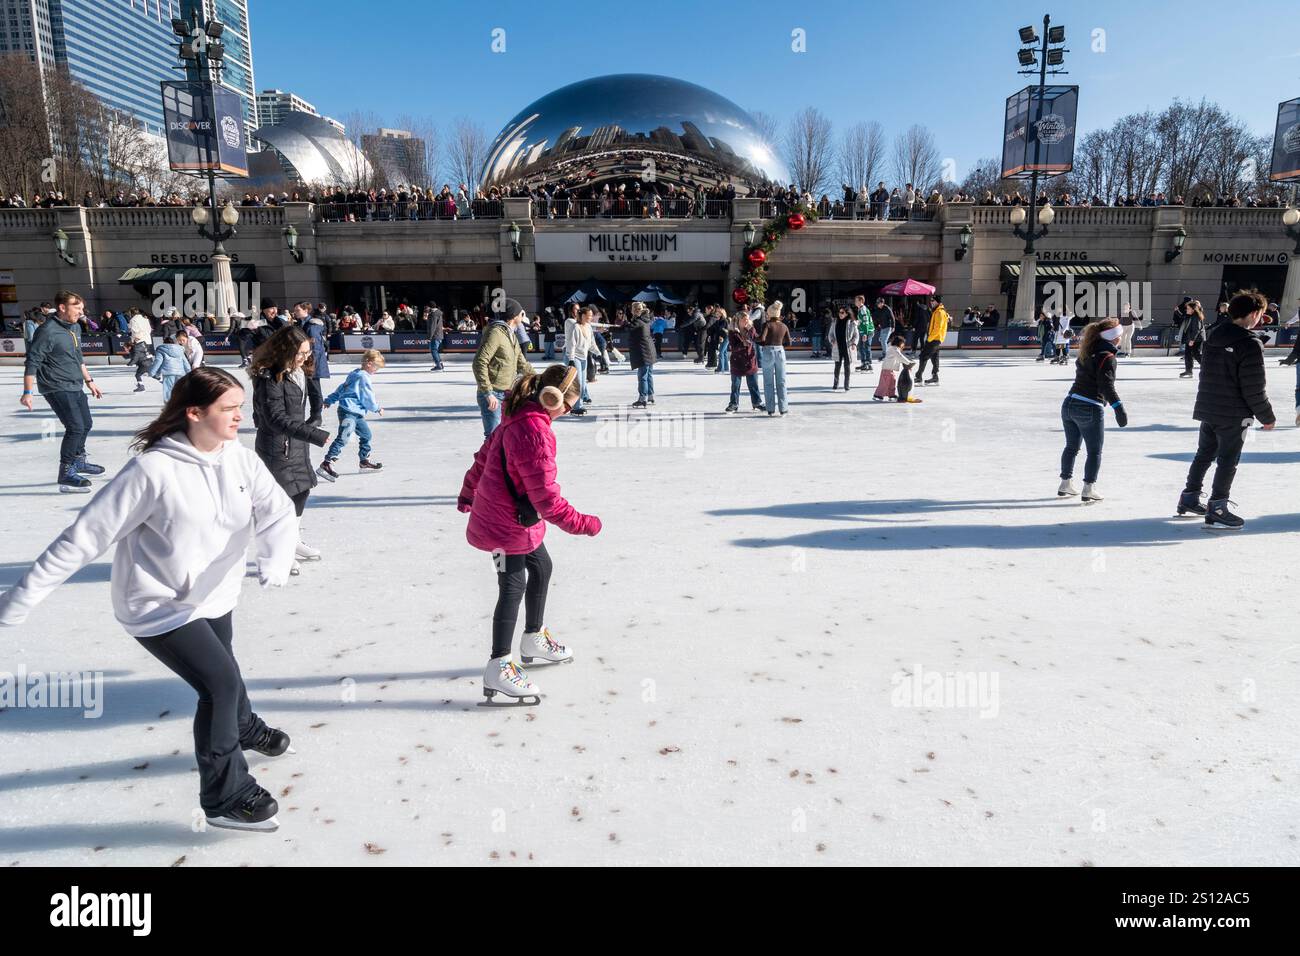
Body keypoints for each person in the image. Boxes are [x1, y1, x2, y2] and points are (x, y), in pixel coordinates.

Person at [0, 367, 298, 832]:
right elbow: (84, 538)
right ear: (194, 412)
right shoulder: (152, 470)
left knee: (226, 667)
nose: (241, 416)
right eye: (229, 408)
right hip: (157, 603)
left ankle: (241, 726)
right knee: (217, 683)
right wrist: (21, 599)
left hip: (215, 594)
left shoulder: (239, 458)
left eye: (241, 406)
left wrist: (275, 560)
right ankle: (226, 796)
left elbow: (276, 509)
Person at [456, 365, 602, 704]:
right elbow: (548, 501)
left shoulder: (518, 413)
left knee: (542, 566)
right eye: (568, 405)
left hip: (515, 518)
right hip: (505, 523)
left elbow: (484, 457)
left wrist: (468, 491)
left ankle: (533, 637)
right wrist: (585, 523)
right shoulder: (533, 430)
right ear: (551, 399)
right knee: (512, 583)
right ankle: (499, 664)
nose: (568, 411)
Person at [1176, 290, 1275, 529]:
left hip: (1209, 408)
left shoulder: (1214, 335)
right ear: (1253, 314)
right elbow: (1253, 387)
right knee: (1228, 460)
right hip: (1234, 415)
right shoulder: (1249, 343)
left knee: (1204, 455)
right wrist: (1267, 417)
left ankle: (1189, 497)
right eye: (1260, 314)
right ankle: (1217, 507)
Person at [248, 326, 331, 572]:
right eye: (301, 353)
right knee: (281, 501)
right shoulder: (269, 377)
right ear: (286, 350)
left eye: (307, 352)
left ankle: (292, 541)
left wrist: (315, 417)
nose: (305, 357)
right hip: (277, 445)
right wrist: (312, 433)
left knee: (301, 492)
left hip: (295, 442)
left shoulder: (296, 371)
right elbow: (274, 417)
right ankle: (279, 551)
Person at [19, 291, 105, 493]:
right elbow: (32, 361)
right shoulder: (47, 331)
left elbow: (78, 356)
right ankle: (66, 472)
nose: (81, 312)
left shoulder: (74, 327)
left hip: (75, 383)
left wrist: (89, 381)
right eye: (77, 308)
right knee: (75, 427)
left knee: (86, 424)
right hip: (56, 386)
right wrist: (27, 391)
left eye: (82, 308)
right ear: (62, 307)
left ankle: (79, 461)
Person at [1058, 319, 1127, 503]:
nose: (1121, 337)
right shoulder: (1108, 357)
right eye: (1119, 335)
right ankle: (1089, 488)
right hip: (1089, 407)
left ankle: (1065, 483)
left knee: (1071, 447)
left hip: (1069, 404)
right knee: (1094, 451)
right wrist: (1118, 407)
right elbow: (1106, 386)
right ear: (1114, 338)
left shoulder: (1088, 351)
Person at [317, 349, 385, 480]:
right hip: (349, 412)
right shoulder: (363, 376)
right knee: (343, 437)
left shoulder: (355, 373)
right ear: (369, 363)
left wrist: (330, 399)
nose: (376, 371)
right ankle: (327, 463)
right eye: (376, 367)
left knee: (366, 435)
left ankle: (364, 461)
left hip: (356, 413)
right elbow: (367, 397)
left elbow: (342, 388)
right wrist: (377, 408)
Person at [474, 298, 536, 434]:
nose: (523, 316)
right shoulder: (495, 333)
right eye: (521, 313)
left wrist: (539, 379)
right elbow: (479, 362)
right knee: (493, 439)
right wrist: (487, 393)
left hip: (507, 393)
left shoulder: (510, 334)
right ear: (514, 316)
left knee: (505, 438)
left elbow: (522, 363)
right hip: (493, 394)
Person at [725, 310, 765, 413]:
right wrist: (743, 344)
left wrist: (751, 330)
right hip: (737, 362)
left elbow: (757, 339)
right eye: (744, 320)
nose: (746, 321)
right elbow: (733, 348)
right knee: (735, 385)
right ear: (738, 321)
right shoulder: (732, 332)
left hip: (750, 361)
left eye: (747, 319)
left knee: (753, 384)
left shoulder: (751, 329)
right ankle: (733, 404)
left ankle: (757, 402)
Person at [297, 301, 329, 423]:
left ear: (306, 310)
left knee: (314, 390)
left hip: (312, 363)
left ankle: (316, 416)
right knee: (309, 389)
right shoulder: (302, 324)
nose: (295, 312)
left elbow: (315, 348)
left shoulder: (312, 325)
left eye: (297, 310)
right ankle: (313, 416)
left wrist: (310, 363)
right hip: (306, 362)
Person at [758, 300, 791, 415]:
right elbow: (789, 342)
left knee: (768, 382)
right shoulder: (783, 325)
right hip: (780, 352)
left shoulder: (767, 325)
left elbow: (762, 339)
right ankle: (783, 408)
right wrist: (781, 346)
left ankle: (770, 409)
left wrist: (760, 342)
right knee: (781, 381)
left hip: (768, 352)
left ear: (769, 313)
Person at [562, 305, 595, 415]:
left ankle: (578, 404)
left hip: (584, 357)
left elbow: (591, 343)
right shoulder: (574, 326)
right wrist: (571, 359)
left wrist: (598, 353)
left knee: (583, 382)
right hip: (575, 356)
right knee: (578, 382)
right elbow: (571, 344)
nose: (591, 317)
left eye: (591, 315)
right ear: (583, 315)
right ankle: (576, 407)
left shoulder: (589, 327)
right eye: (589, 315)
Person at [875, 333, 920, 402]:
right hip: (887, 369)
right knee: (884, 383)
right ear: (899, 343)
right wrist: (908, 362)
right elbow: (900, 357)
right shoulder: (894, 349)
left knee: (892, 381)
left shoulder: (893, 348)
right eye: (902, 343)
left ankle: (891, 394)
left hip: (890, 369)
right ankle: (878, 395)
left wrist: (907, 361)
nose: (903, 345)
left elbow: (900, 356)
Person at [627, 303, 656, 408]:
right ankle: (650, 396)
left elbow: (628, 328)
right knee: (648, 375)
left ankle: (642, 398)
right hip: (649, 351)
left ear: (634, 311)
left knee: (642, 376)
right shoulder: (646, 319)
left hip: (644, 352)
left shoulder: (638, 321)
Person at [915, 295, 949, 386]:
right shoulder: (937, 311)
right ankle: (935, 377)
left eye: (933, 301)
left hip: (935, 338)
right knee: (934, 357)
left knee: (923, 356)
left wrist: (929, 339)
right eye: (930, 300)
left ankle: (918, 377)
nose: (931, 302)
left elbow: (938, 328)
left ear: (938, 302)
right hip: (936, 338)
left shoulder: (940, 312)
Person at [149, 335, 192, 403]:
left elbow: (158, 361)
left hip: (168, 372)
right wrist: (189, 371)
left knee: (168, 390)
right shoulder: (179, 350)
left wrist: (152, 372)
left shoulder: (161, 349)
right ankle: (181, 404)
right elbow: (185, 362)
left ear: (164, 343)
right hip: (180, 372)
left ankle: (169, 406)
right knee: (179, 389)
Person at [828, 304, 858, 391]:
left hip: (847, 348)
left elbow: (856, 336)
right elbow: (830, 334)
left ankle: (846, 385)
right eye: (839, 312)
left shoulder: (852, 323)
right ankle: (835, 383)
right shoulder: (835, 322)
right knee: (837, 367)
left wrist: (854, 344)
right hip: (837, 347)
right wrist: (832, 341)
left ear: (847, 313)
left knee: (847, 367)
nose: (840, 314)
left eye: (842, 312)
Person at [127, 308, 155, 390]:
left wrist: (135, 339)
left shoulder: (133, 320)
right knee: (146, 357)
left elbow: (135, 331)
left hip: (140, 340)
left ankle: (140, 378)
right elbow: (149, 329)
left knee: (140, 358)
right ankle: (147, 373)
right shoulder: (145, 319)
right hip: (148, 340)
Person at [1179, 300, 1207, 378]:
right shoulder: (1190, 316)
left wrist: (1192, 340)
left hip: (1196, 339)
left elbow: (1196, 329)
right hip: (1190, 338)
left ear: (1193, 309)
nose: (1186, 310)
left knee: (1196, 354)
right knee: (1188, 354)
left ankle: (1207, 367)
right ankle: (1188, 371)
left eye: (1188, 308)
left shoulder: (1196, 317)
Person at [854, 295, 875, 372]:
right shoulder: (860, 309)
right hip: (864, 331)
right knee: (861, 347)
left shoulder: (863, 309)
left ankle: (868, 364)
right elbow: (862, 321)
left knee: (866, 347)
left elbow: (866, 322)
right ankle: (864, 363)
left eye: (856, 301)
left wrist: (865, 334)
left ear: (861, 301)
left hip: (867, 331)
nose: (855, 302)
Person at [874, 297, 895, 364]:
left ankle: (885, 355)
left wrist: (893, 326)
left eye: (879, 303)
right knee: (881, 340)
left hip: (888, 327)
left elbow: (892, 318)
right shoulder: (878, 309)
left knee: (883, 340)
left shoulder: (887, 309)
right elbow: (876, 317)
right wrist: (877, 324)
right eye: (877, 303)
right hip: (883, 327)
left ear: (882, 303)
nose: (877, 304)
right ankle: (886, 353)